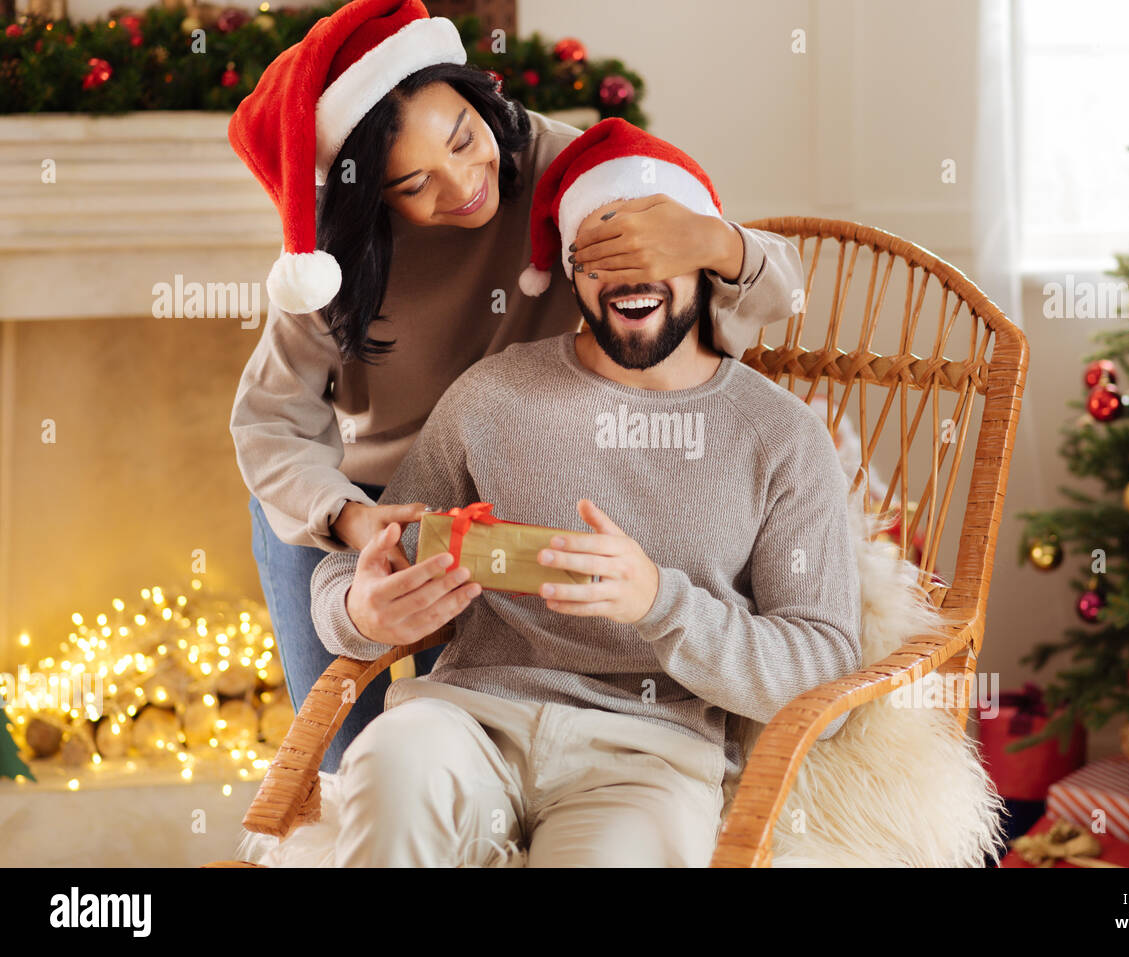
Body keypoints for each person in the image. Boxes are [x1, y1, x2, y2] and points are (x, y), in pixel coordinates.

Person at [227, 0, 806, 772]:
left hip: (505, 498)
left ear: (477, 97)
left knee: (466, 746)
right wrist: (349, 522)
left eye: (465, 139)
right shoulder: (335, 255)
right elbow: (269, 425)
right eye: (414, 182)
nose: (464, 183)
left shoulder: (568, 168)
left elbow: (773, 300)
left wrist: (714, 239)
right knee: (341, 769)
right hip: (365, 509)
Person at [309, 119, 861, 867]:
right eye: (599, 258)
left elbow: (825, 670)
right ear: (569, 271)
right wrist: (360, 608)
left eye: (652, 252)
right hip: (466, 723)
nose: (629, 280)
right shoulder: (493, 396)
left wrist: (660, 602)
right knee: (390, 766)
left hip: (651, 758)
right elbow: (356, 569)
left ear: (704, 258)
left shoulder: (782, 436)